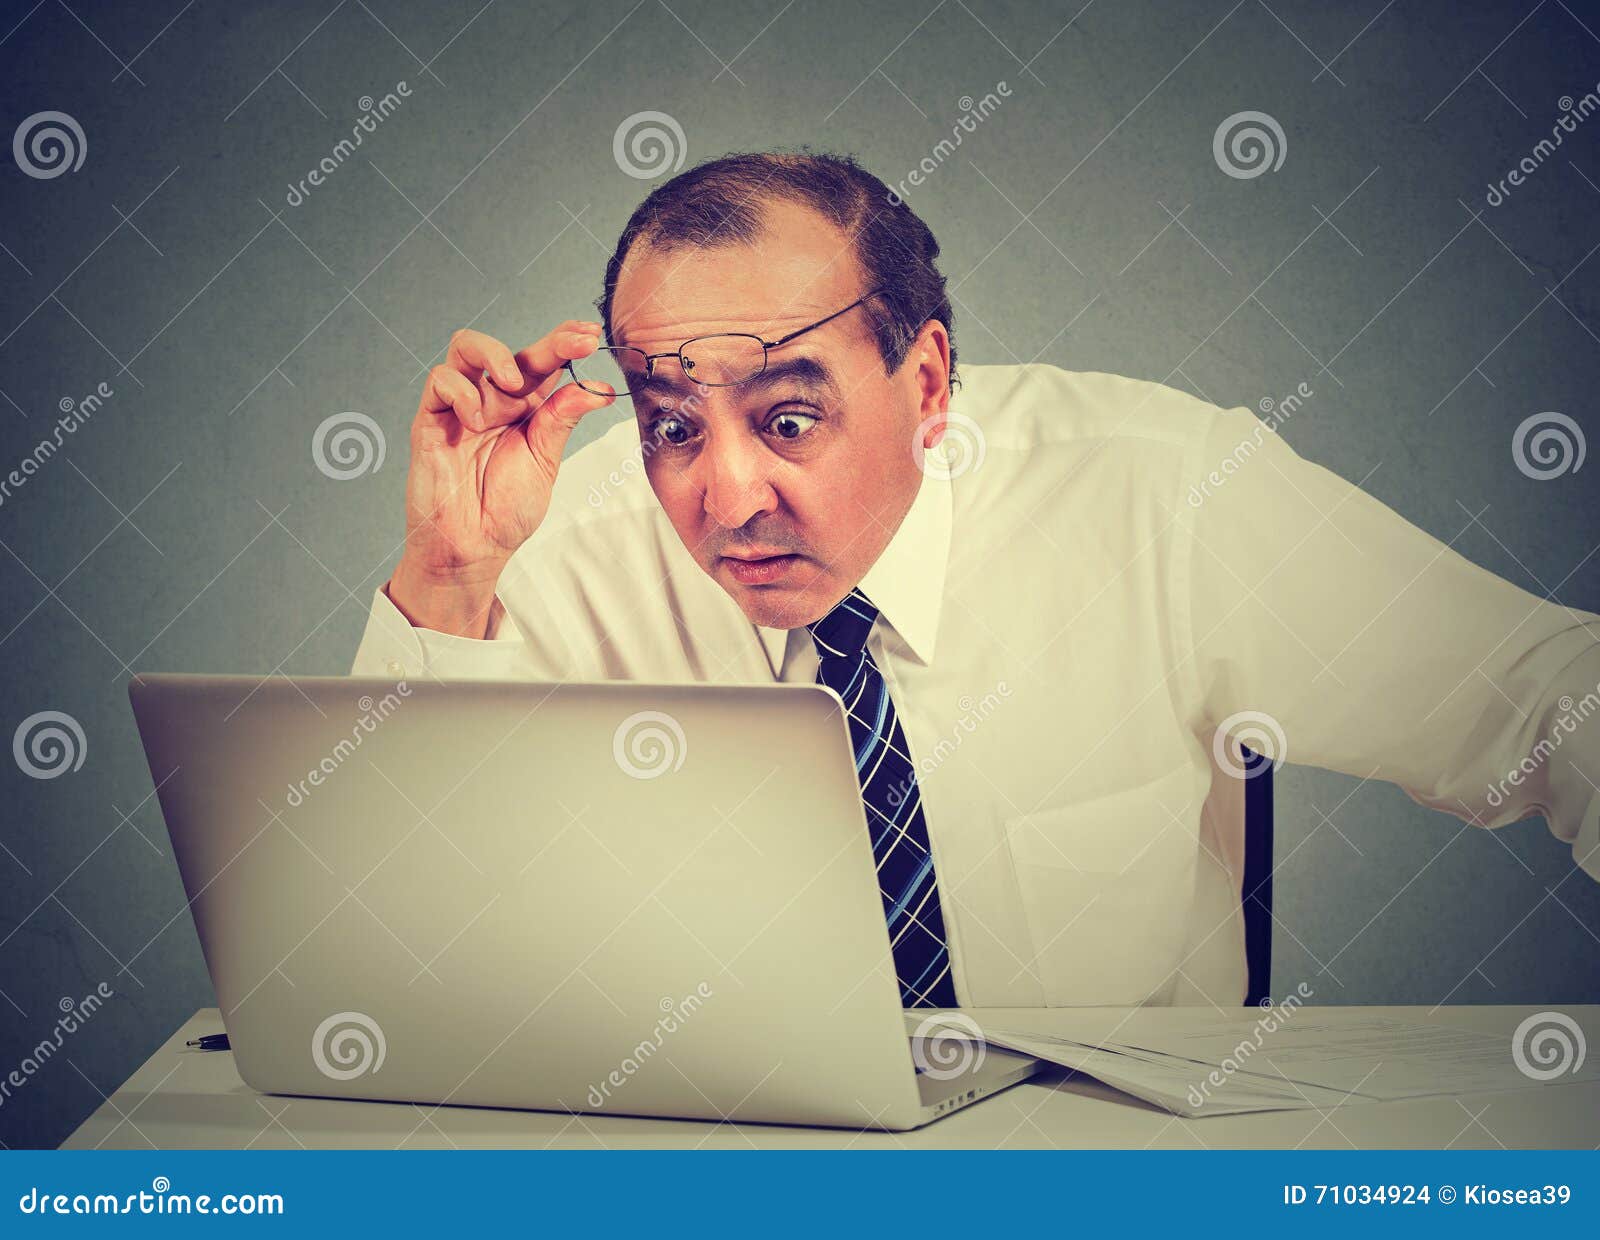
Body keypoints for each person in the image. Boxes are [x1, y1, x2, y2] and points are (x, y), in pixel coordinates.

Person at [352, 150, 1599, 1009]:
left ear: (929, 382)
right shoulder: (561, 545)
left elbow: (1553, 706)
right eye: (674, 423)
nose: (724, 498)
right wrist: (447, 581)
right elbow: (393, 948)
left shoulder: (1161, 494)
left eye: (789, 419)